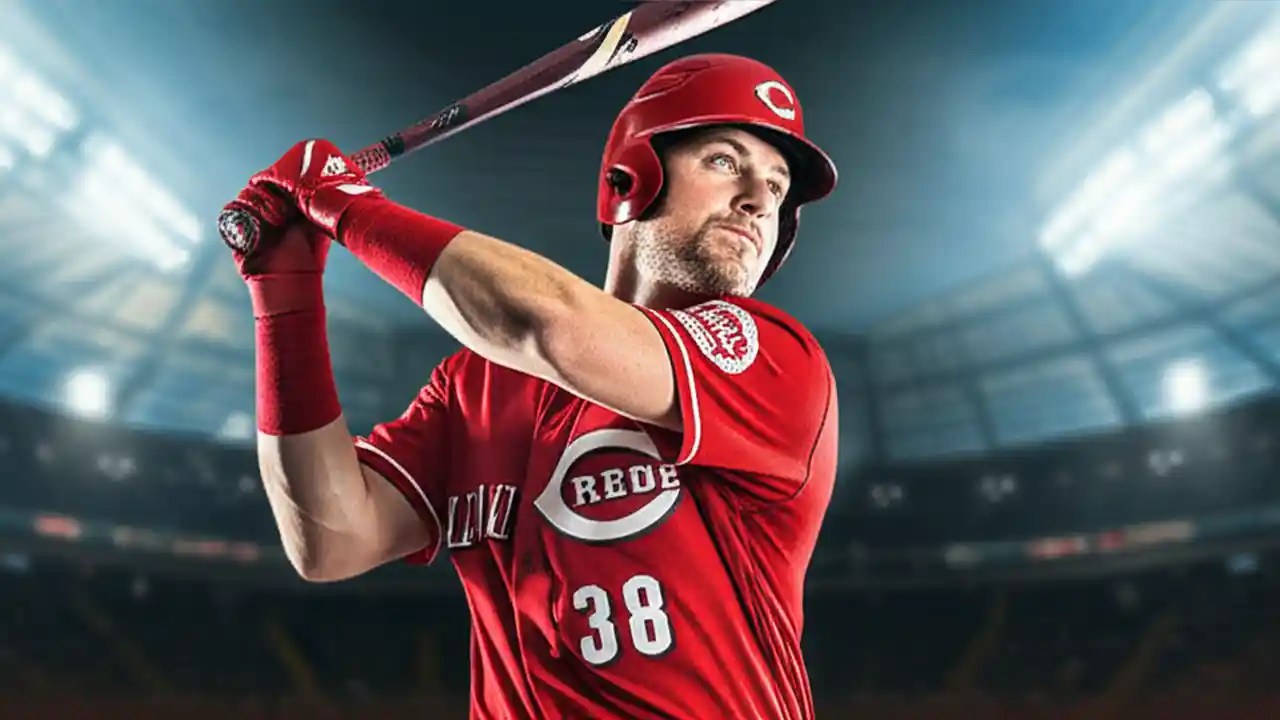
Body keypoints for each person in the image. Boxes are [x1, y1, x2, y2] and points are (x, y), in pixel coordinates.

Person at [223, 53, 839, 719]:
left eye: (776, 189)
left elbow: (550, 324)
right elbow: (331, 539)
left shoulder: (773, 359)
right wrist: (283, 298)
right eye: (724, 161)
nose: (757, 200)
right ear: (631, 179)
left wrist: (349, 208)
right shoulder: (478, 383)